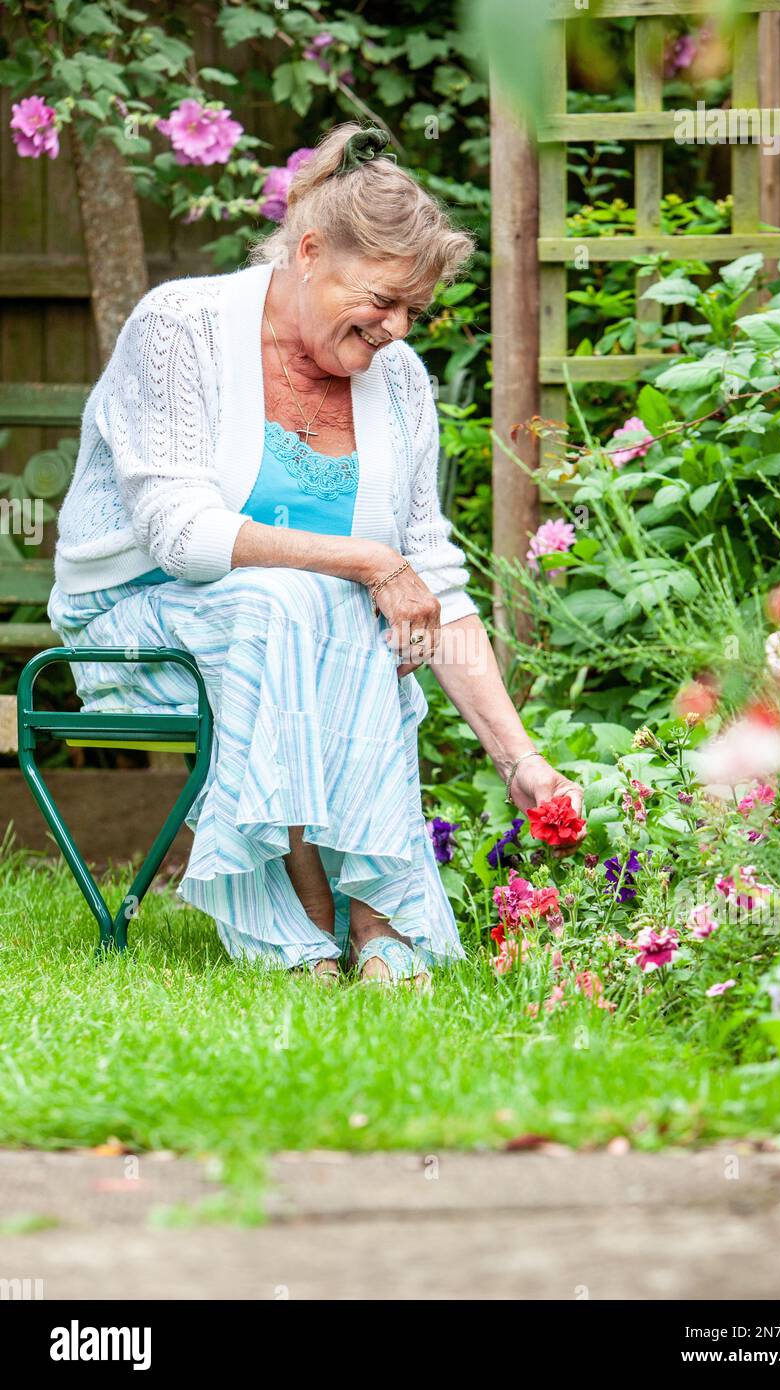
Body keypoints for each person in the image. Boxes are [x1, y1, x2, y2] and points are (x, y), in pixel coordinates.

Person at [47, 122, 584, 988]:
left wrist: (520, 758)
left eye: (416, 310)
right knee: (301, 598)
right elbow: (181, 536)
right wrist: (368, 564)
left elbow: (430, 579)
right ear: (306, 252)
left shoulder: (397, 380)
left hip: (294, 634)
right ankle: (308, 919)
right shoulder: (181, 326)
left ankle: (370, 917)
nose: (399, 330)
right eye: (383, 300)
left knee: (327, 604)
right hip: (134, 628)